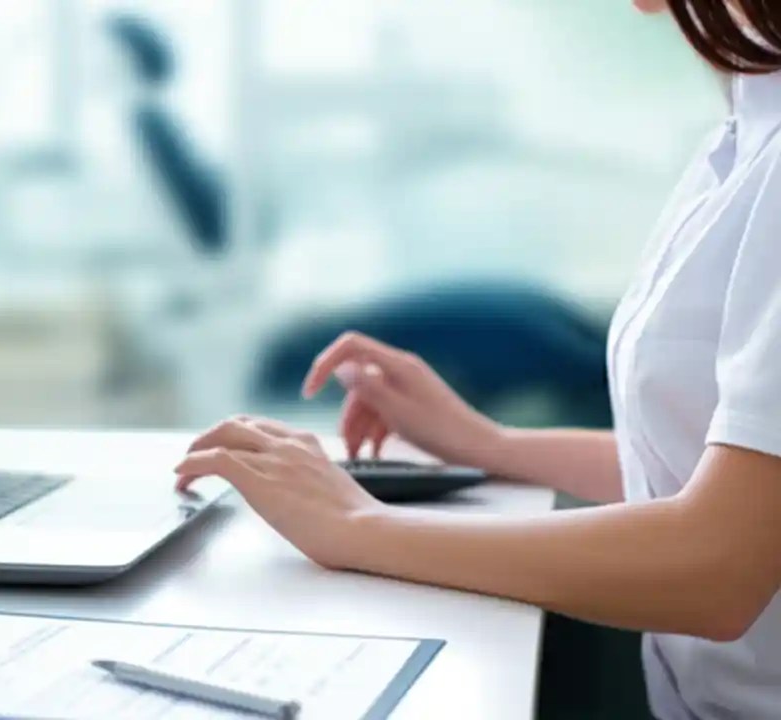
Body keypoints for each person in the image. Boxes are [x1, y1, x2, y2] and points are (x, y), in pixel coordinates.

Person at [175, 2, 781, 718]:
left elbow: (716, 565)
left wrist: (357, 527)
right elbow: (717, 473)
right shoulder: (745, 130)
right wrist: (489, 443)